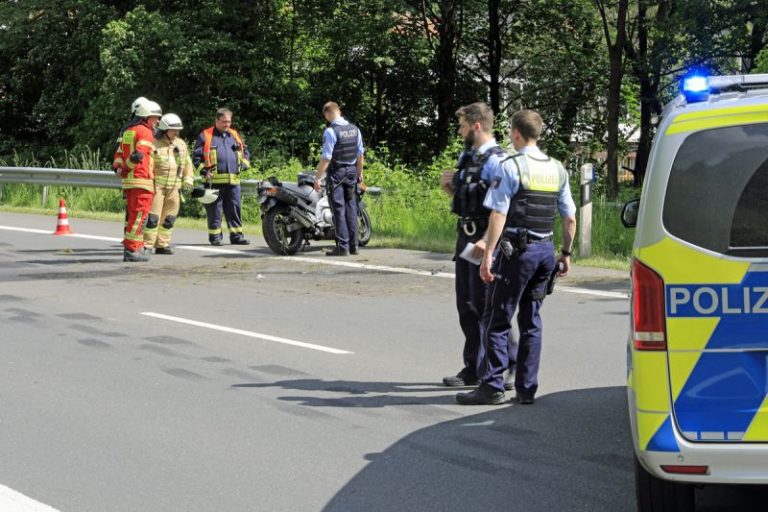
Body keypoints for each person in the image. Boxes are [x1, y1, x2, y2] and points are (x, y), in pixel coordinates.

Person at [456, 109, 576, 406]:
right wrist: (566, 253)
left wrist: (488, 254)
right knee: (531, 320)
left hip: (517, 252)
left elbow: (499, 213)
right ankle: (526, 389)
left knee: (496, 318)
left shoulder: (511, 166)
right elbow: (570, 217)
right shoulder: (557, 169)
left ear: (516, 134)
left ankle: (492, 386)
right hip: (545, 252)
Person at [440, 102, 516, 390]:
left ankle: (508, 364)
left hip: (485, 238)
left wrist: (487, 241)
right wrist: (449, 187)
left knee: (488, 305)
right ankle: (474, 367)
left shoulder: (497, 161)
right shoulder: (468, 157)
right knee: (468, 304)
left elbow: (504, 208)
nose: (459, 131)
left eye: (462, 126)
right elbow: (466, 199)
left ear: (476, 126)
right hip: (466, 237)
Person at [192, 108, 251, 246]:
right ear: (216, 120)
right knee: (215, 212)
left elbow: (245, 151)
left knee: (235, 209)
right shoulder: (206, 135)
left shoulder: (234, 135)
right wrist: (203, 171)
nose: (227, 124)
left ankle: (237, 236)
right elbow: (196, 157)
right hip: (213, 182)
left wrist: (244, 163)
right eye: (224, 122)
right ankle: (215, 238)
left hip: (233, 182)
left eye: (229, 122)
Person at [313, 102, 365, 256]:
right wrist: (359, 173)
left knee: (338, 210)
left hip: (337, 173)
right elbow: (360, 155)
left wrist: (317, 178)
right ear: (339, 111)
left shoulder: (330, 131)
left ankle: (343, 247)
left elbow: (326, 158)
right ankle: (354, 246)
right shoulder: (355, 129)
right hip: (352, 172)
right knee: (351, 208)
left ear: (328, 114)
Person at [115, 100, 163, 262]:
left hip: (130, 182)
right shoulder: (145, 132)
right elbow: (138, 155)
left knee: (133, 216)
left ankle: (137, 246)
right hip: (142, 180)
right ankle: (131, 249)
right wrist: (126, 168)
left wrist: (119, 168)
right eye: (155, 117)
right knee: (139, 216)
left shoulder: (128, 131)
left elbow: (119, 154)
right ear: (146, 117)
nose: (157, 121)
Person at [143, 113, 194, 254]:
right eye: (174, 130)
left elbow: (187, 163)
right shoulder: (153, 143)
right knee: (153, 218)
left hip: (174, 188)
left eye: (178, 130)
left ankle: (162, 245)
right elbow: (147, 165)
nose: (177, 133)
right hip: (157, 187)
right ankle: (147, 245)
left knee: (169, 218)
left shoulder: (181, 144)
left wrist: (188, 179)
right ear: (164, 129)